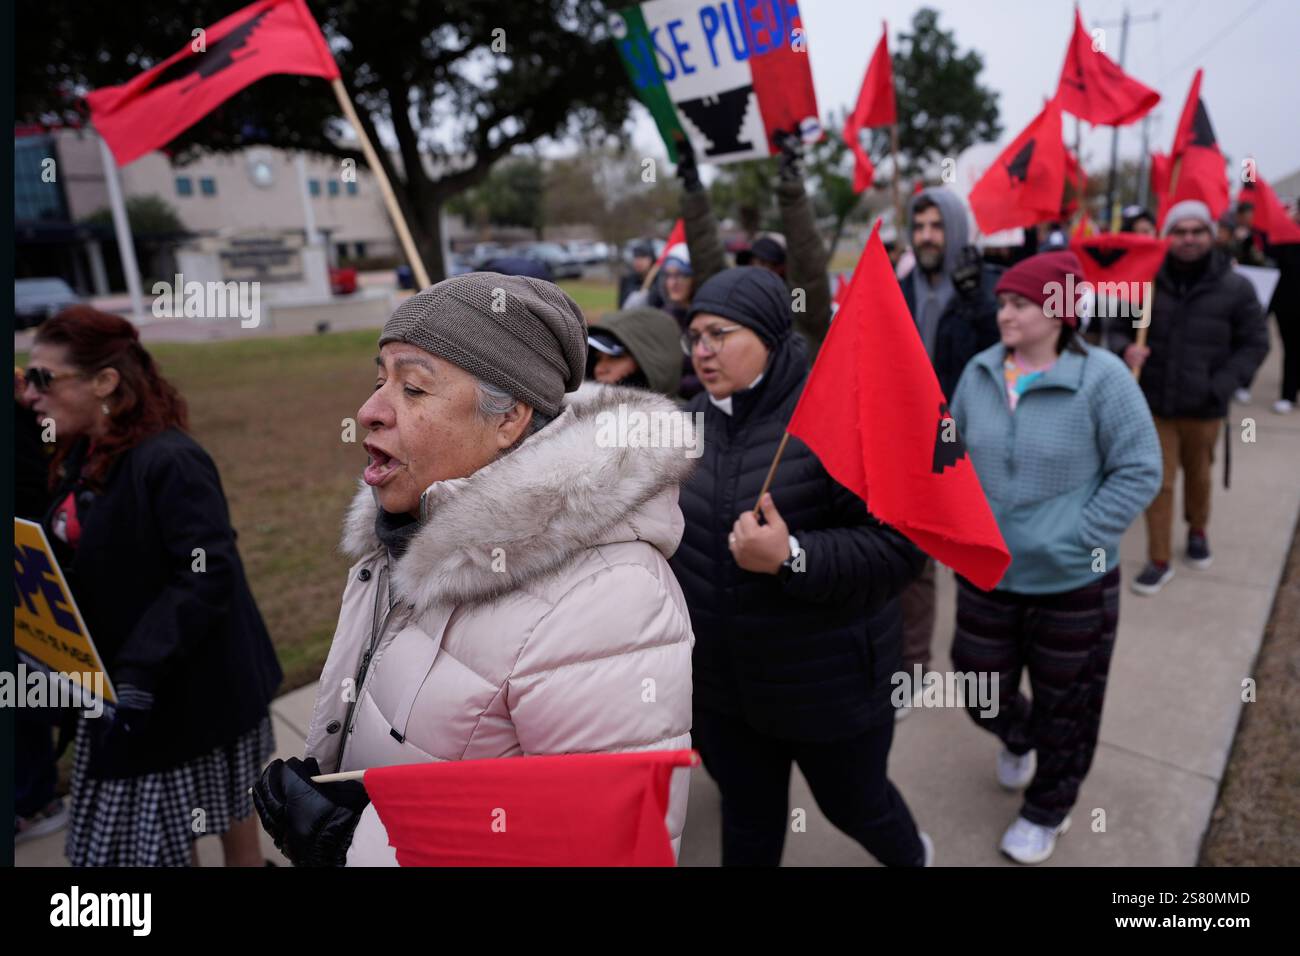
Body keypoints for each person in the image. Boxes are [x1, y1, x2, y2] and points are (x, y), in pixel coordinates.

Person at [253, 273, 696, 866]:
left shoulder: (609, 601)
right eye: (378, 379)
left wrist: (353, 847)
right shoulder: (410, 529)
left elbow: (603, 851)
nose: (368, 411)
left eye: (412, 388)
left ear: (508, 418)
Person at [669, 266, 932, 867]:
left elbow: (899, 552)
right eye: (694, 338)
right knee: (749, 819)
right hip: (725, 695)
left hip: (829, 688)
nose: (702, 352)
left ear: (767, 336)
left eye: (718, 335)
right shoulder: (682, 427)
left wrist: (792, 557)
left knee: (857, 806)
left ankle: (913, 857)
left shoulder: (838, 423)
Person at [24, 307, 283, 866]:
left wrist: (138, 670)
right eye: (25, 379)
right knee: (180, 826)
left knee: (174, 832)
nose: (29, 395)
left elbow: (206, 570)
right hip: (126, 689)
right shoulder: (79, 453)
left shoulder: (170, 460)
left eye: (43, 379)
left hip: (186, 692)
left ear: (105, 381)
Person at [949, 250, 1162, 864]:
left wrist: (1078, 536)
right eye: (1002, 303)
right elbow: (952, 454)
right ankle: (1019, 736)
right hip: (988, 571)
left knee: (1070, 701)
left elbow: (1140, 469)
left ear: (1059, 311)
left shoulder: (1104, 378)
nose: (1004, 314)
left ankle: (1048, 809)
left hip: (1074, 579)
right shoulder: (980, 371)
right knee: (977, 680)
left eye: (1019, 303)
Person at [1109, 200, 1269, 595]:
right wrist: (1125, 350)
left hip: (1205, 407)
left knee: (1198, 476)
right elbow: (1115, 330)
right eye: (1179, 231)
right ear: (1167, 236)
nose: (1188, 239)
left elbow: (1255, 342)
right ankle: (1159, 558)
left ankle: (1197, 530)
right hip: (1154, 405)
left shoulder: (1235, 286)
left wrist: (1223, 385)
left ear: (1212, 236)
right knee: (1157, 483)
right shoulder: (1143, 281)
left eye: (1197, 231)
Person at [895, 187, 1003, 702]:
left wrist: (979, 304)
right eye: (919, 227)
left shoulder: (986, 288)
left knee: (970, 561)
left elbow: (1005, 358)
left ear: (955, 230)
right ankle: (913, 670)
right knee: (911, 562)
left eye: (937, 226)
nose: (926, 237)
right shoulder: (900, 286)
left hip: (968, 446)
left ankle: (985, 666)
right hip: (910, 445)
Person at [673, 130, 833, 349]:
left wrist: (792, 184)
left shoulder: (800, 314)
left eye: (769, 265)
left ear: (785, 270)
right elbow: (708, 263)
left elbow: (805, 261)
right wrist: (693, 189)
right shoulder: (734, 310)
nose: (760, 270)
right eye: (754, 263)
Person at [586, 306, 686, 399]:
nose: (599, 369)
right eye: (598, 359)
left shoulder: (691, 416)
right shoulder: (582, 411)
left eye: (615, 357)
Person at [618, 240, 656, 308]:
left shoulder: (658, 281)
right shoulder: (627, 280)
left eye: (643, 257)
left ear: (651, 259)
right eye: (636, 257)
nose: (638, 261)